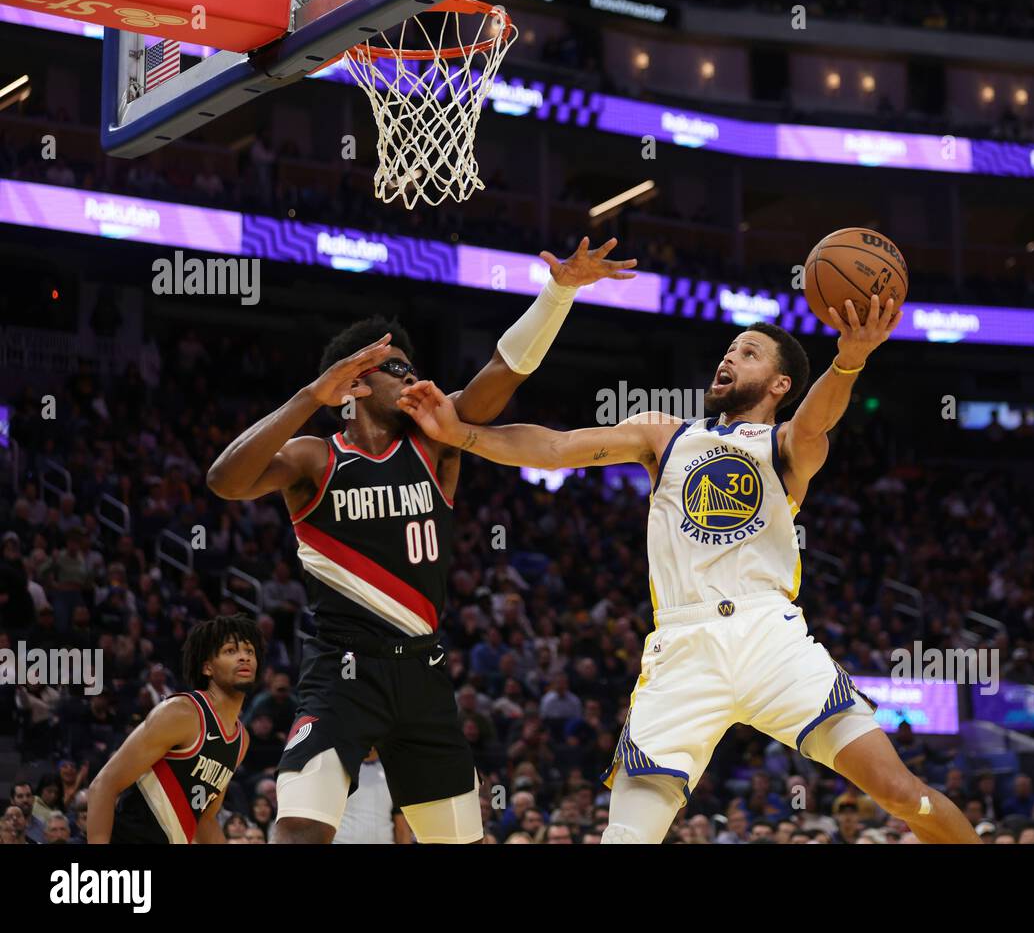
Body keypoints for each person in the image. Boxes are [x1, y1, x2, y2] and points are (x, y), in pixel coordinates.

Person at [401, 293, 979, 844]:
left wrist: (849, 363)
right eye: (730, 348)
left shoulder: (788, 444)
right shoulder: (665, 432)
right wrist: (464, 435)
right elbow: (557, 447)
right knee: (625, 835)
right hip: (682, 645)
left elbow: (814, 421)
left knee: (903, 794)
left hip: (770, 637)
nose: (729, 356)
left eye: (748, 352)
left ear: (780, 384)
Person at [206, 237, 635, 845]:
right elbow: (224, 481)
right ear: (354, 381)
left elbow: (501, 373)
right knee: (301, 830)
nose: (414, 377)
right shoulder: (315, 457)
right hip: (341, 671)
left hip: (425, 675)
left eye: (413, 365)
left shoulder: (436, 440)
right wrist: (309, 397)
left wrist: (559, 292)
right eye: (396, 367)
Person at [85, 617, 261, 843]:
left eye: (250, 651)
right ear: (208, 667)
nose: (244, 656)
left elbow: (205, 819)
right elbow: (104, 784)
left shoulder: (240, 740)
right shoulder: (181, 713)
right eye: (230, 651)